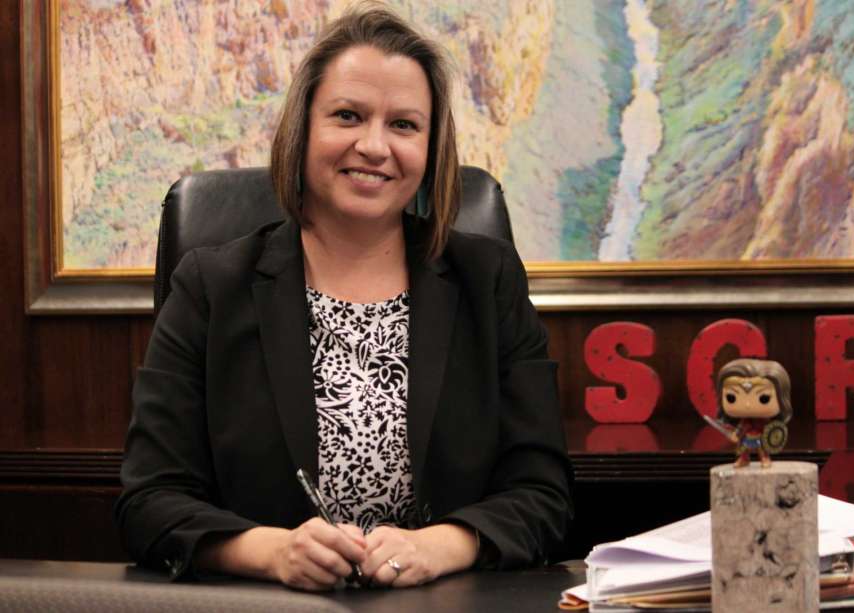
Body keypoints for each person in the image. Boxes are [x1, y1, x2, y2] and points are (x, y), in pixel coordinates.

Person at [116, 3, 573, 592]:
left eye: (404, 125)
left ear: (432, 149)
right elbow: (148, 502)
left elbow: (543, 493)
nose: (374, 146)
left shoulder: (488, 279)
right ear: (303, 129)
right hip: (269, 606)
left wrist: (439, 546)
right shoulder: (211, 286)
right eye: (348, 116)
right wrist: (273, 552)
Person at [714, 358, 792, 468]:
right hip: (746, 438)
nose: (747, 405)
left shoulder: (764, 422)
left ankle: (764, 458)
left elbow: (771, 431)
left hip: (761, 437)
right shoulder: (744, 421)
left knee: (763, 449)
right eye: (731, 397)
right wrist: (736, 434)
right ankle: (744, 459)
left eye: (764, 398)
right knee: (743, 450)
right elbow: (741, 427)